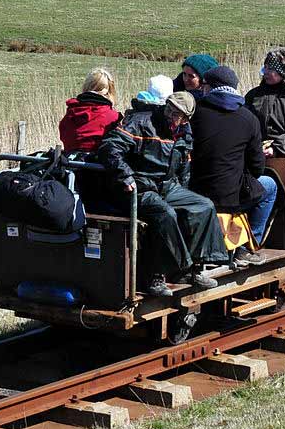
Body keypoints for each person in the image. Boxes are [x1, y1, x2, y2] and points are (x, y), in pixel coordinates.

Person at [96, 91, 229, 296]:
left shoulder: (185, 131)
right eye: (169, 108)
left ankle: (196, 268)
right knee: (164, 213)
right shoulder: (141, 122)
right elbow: (109, 147)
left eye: (177, 113)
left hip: (167, 186)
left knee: (204, 206)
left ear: (186, 118)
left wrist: (184, 190)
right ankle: (158, 276)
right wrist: (125, 175)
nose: (170, 115)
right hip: (138, 186)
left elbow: (184, 165)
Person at [188, 66, 277, 263]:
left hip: (196, 192)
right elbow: (256, 169)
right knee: (270, 186)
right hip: (231, 197)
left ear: (210, 88)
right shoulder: (249, 118)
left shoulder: (195, 115)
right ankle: (247, 245)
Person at [58, 67, 120, 154]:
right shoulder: (114, 117)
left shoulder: (71, 113)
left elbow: (64, 136)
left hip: (69, 162)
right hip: (96, 165)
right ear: (109, 92)